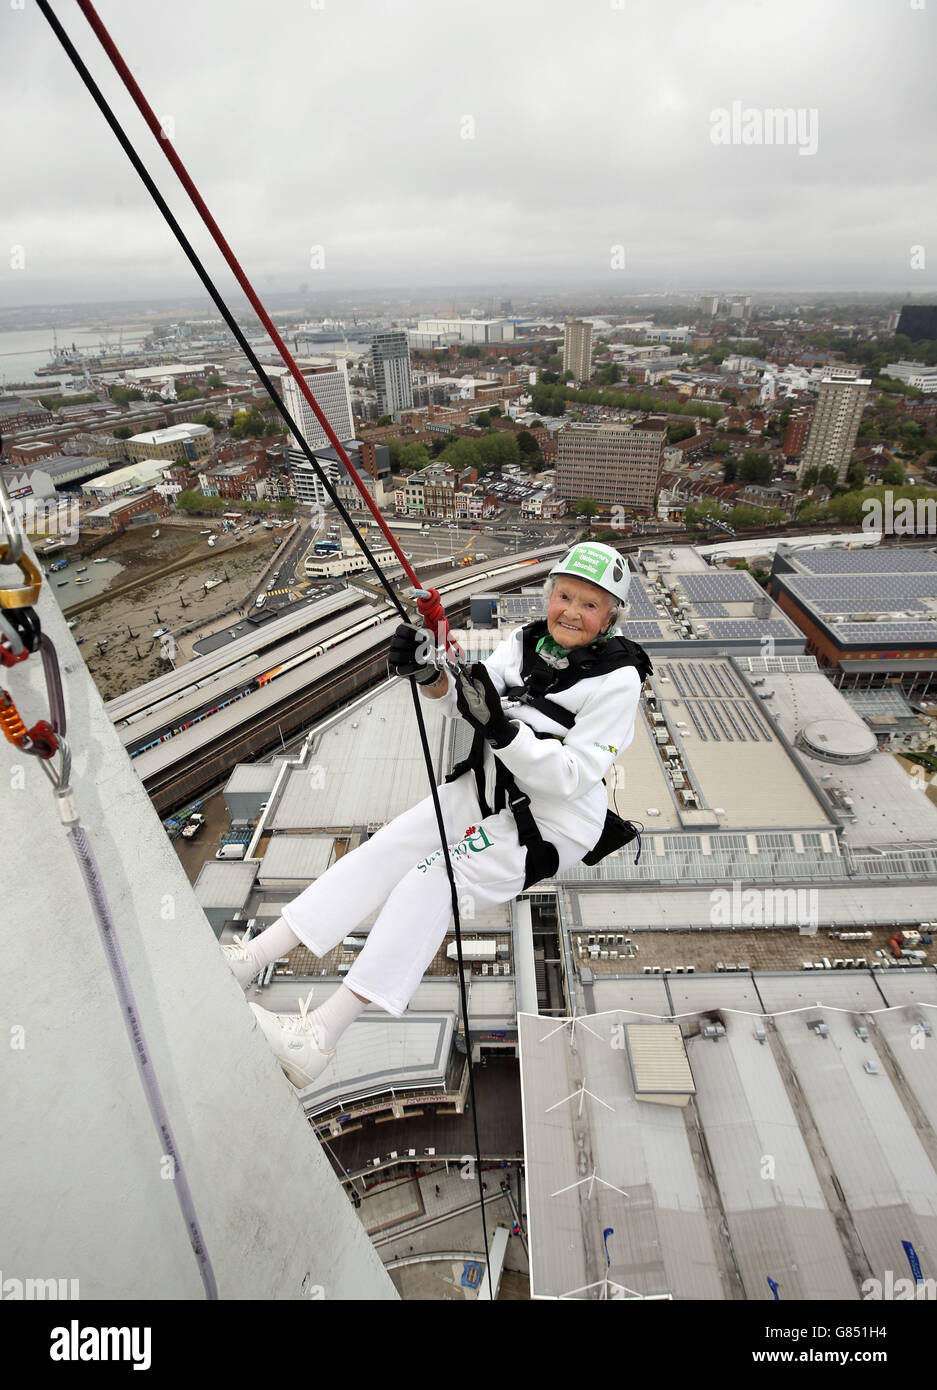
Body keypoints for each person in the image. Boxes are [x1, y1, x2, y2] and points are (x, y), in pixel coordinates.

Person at [222, 543, 650, 1089]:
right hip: (491, 785)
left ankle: (320, 1037)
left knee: (428, 882)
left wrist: (500, 729)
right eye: (564, 595)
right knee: (388, 846)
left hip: (550, 823)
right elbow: (468, 699)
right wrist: (431, 675)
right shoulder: (523, 644)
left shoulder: (618, 680)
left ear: (612, 617)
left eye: (589, 605)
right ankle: (254, 954)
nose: (570, 611)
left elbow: (571, 774)